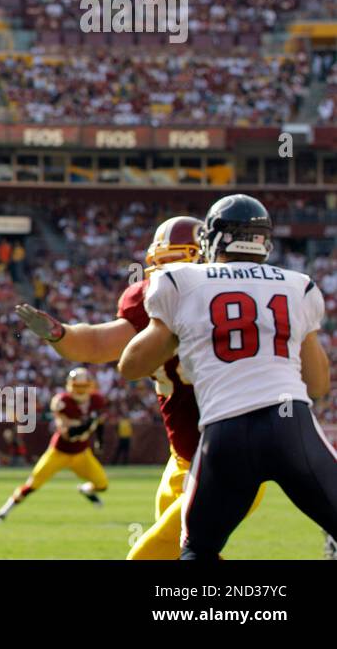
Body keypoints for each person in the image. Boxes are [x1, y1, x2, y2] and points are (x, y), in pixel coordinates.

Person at [15, 215, 263, 560]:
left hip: (229, 460)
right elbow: (100, 343)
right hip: (184, 460)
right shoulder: (153, 298)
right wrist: (61, 334)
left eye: (174, 259)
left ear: (205, 256)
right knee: (189, 554)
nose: (163, 270)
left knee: (147, 557)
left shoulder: (231, 299)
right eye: (159, 261)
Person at [119, 194, 336, 560]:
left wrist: (177, 334)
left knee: (197, 550)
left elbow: (130, 367)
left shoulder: (182, 281)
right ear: (264, 241)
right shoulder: (298, 285)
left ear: (213, 238)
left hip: (226, 432)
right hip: (292, 428)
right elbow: (317, 385)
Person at [0, 367, 108, 523]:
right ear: (70, 385)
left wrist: (99, 440)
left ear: (90, 386)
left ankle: (85, 490)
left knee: (102, 485)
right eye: (77, 386)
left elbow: (100, 422)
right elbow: (68, 434)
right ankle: (3, 512)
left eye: (83, 386)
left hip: (81, 453)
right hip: (59, 452)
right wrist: (89, 424)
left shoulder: (97, 400)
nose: (80, 390)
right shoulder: (63, 402)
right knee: (32, 484)